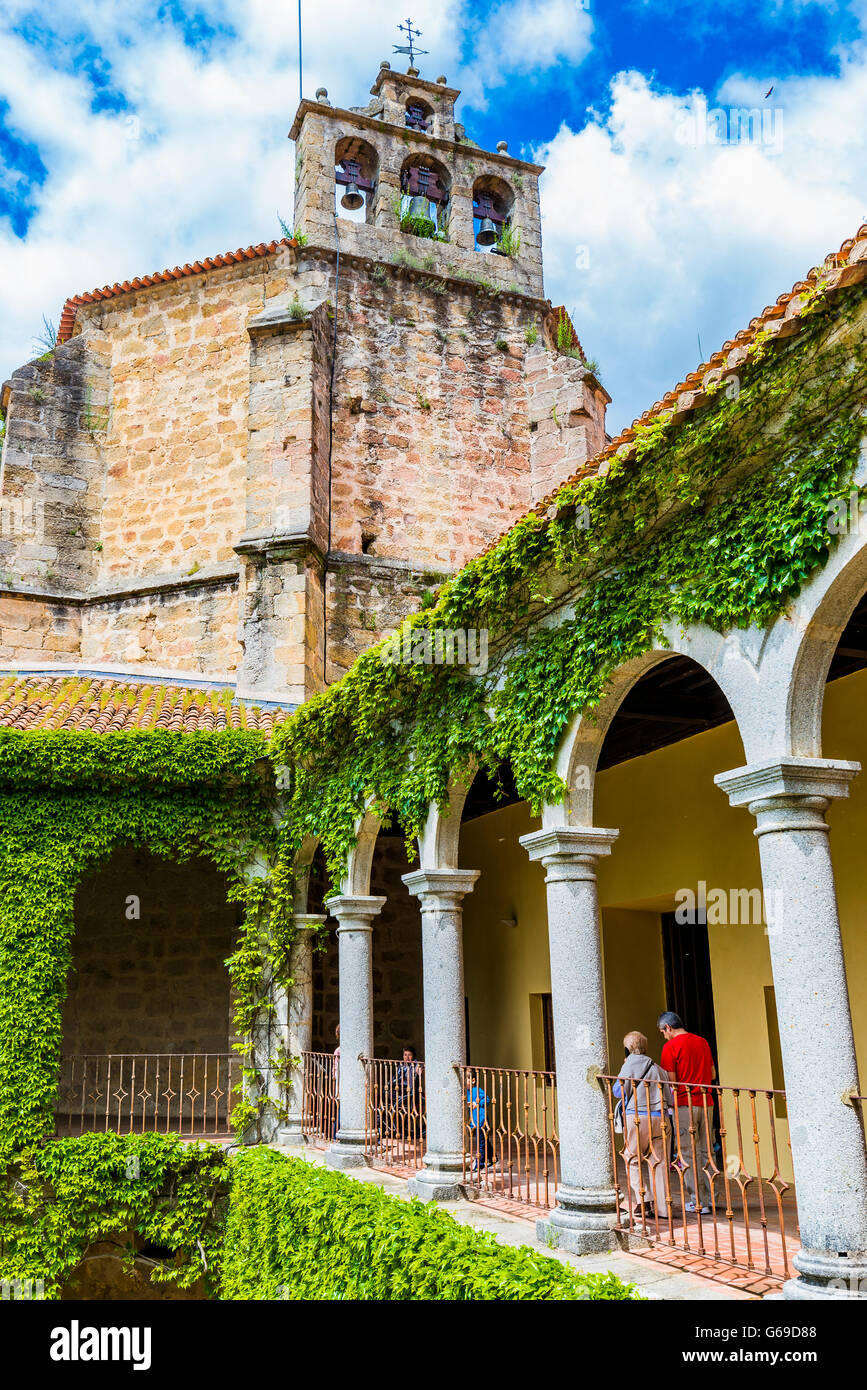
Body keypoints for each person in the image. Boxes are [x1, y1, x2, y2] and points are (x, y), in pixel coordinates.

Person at [658, 1011, 716, 1214]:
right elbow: (713, 1073)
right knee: (706, 1149)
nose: (664, 1036)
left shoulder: (670, 1047)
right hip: (707, 1101)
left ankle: (698, 1201)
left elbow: (671, 1081)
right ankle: (711, 1198)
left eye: (662, 1032)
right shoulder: (702, 1042)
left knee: (688, 1152)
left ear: (668, 1028)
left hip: (685, 1104)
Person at [614, 1031, 671, 1218]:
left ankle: (643, 1201)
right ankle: (663, 1208)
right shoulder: (656, 1066)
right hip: (660, 1117)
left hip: (637, 1117)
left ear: (627, 1049)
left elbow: (618, 1091)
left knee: (633, 1158)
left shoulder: (629, 1065)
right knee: (660, 1162)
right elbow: (669, 1094)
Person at [465, 1070, 490, 1172]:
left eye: (465, 1079)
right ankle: (494, 1157)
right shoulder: (465, 1092)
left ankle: (480, 1164)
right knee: (484, 1141)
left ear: (473, 1080)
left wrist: (477, 1103)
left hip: (481, 1120)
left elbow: (487, 1099)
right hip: (473, 1121)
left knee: (480, 1143)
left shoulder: (477, 1090)